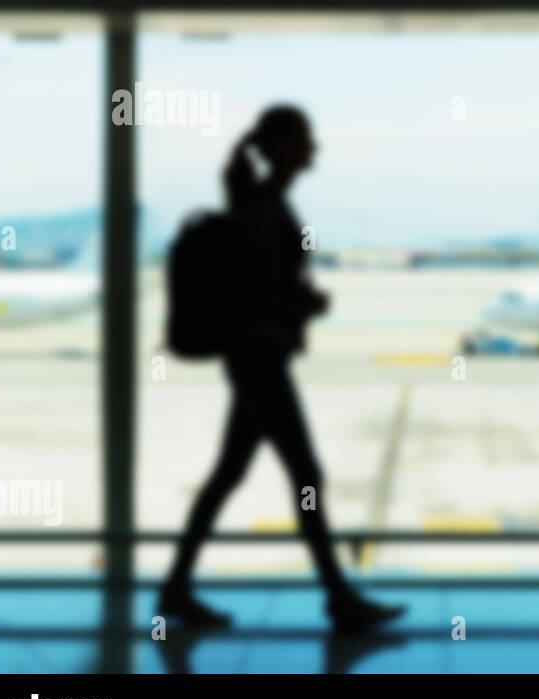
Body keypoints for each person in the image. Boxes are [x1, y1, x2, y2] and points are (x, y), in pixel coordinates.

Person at [159, 106, 404, 631]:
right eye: (304, 138)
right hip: (259, 359)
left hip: (256, 358)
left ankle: (176, 589)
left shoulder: (261, 203)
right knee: (305, 474)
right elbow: (246, 291)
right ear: (284, 147)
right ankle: (339, 599)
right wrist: (299, 305)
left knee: (228, 475)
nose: (314, 147)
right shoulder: (263, 209)